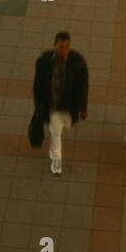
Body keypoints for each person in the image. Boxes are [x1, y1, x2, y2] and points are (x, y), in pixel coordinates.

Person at [32, 32, 88, 175]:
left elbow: (83, 86)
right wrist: (38, 104)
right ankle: (56, 159)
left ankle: (57, 152)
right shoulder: (44, 61)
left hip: (69, 105)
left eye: (67, 47)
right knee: (55, 131)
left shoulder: (78, 62)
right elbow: (37, 84)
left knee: (66, 125)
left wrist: (82, 107)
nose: (64, 50)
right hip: (53, 105)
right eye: (61, 46)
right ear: (55, 45)